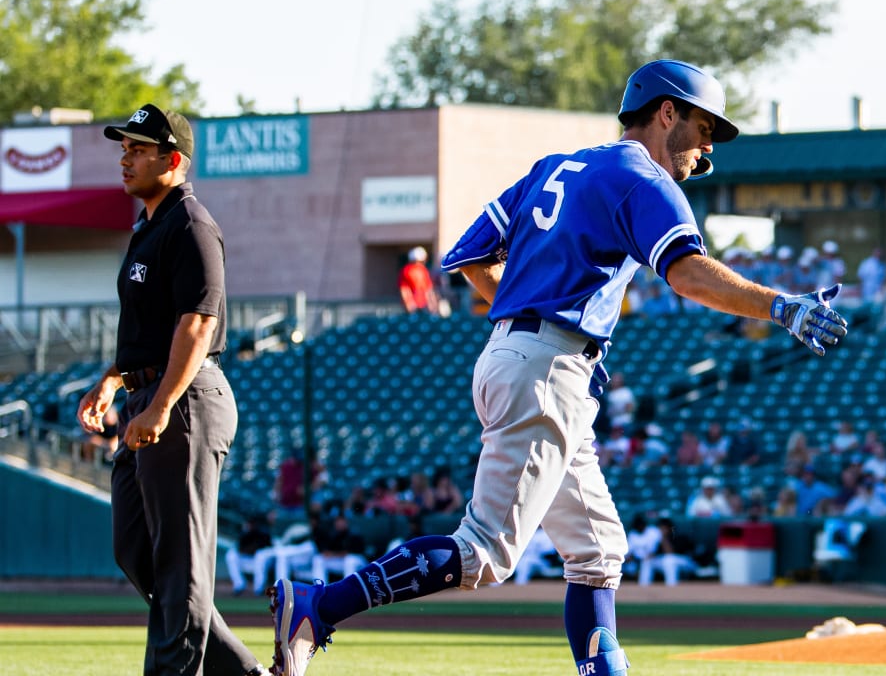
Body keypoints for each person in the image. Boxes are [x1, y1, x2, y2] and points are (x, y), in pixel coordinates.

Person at [268, 59, 848, 676]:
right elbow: (686, 273)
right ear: (666, 111)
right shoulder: (644, 179)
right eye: (705, 126)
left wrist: (530, 318)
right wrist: (781, 306)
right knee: (485, 553)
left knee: (599, 552)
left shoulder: (558, 167)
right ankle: (318, 606)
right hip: (546, 365)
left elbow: (471, 259)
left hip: (521, 354)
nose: (707, 150)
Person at [74, 104, 271, 676]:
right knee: (139, 552)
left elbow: (197, 324)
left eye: (138, 148)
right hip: (149, 395)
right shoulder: (151, 225)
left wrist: (160, 404)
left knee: (180, 568)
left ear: (174, 159)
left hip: (183, 400)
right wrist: (115, 377)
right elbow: (152, 324)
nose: (125, 157)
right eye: (124, 148)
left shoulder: (190, 225)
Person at [398, 246, 442, 315]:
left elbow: (428, 289)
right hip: (419, 304)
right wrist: (432, 304)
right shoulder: (412, 270)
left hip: (419, 304)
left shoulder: (411, 270)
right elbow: (405, 289)